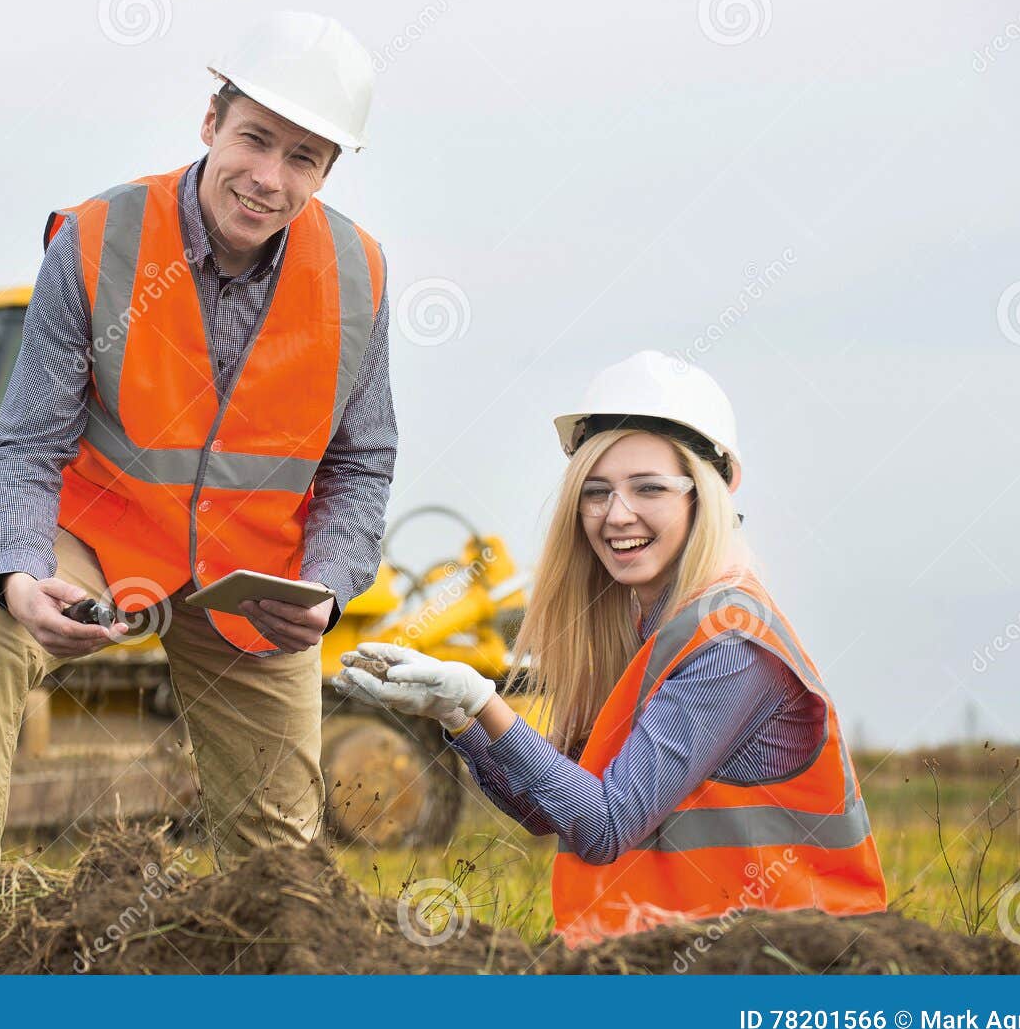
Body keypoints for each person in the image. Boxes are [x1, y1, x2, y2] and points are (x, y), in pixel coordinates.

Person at [0, 11, 396, 867]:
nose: (269, 179)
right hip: (103, 538)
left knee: (279, 862)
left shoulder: (358, 275)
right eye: (254, 140)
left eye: (302, 158)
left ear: (329, 169)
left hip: (258, 582)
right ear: (210, 123)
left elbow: (361, 463)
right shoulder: (97, 239)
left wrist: (326, 585)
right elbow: (27, 444)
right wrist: (21, 570)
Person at [333, 351, 888, 946]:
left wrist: (483, 703)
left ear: (710, 493)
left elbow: (604, 825)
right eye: (596, 492)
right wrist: (460, 719)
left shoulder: (730, 642)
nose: (616, 515)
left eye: (648, 488)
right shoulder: (649, 629)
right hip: (699, 953)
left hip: (798, 963)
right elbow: (556, 813)